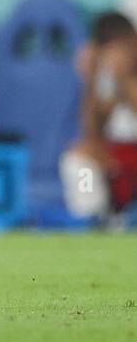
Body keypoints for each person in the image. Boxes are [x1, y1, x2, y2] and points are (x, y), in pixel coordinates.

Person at [60, 11, 137, 221]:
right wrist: (90, 79)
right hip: (120, 156)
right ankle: (90, 216)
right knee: (78, 159)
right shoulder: (106, 81)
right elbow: (93, 131)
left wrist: (124, 78)